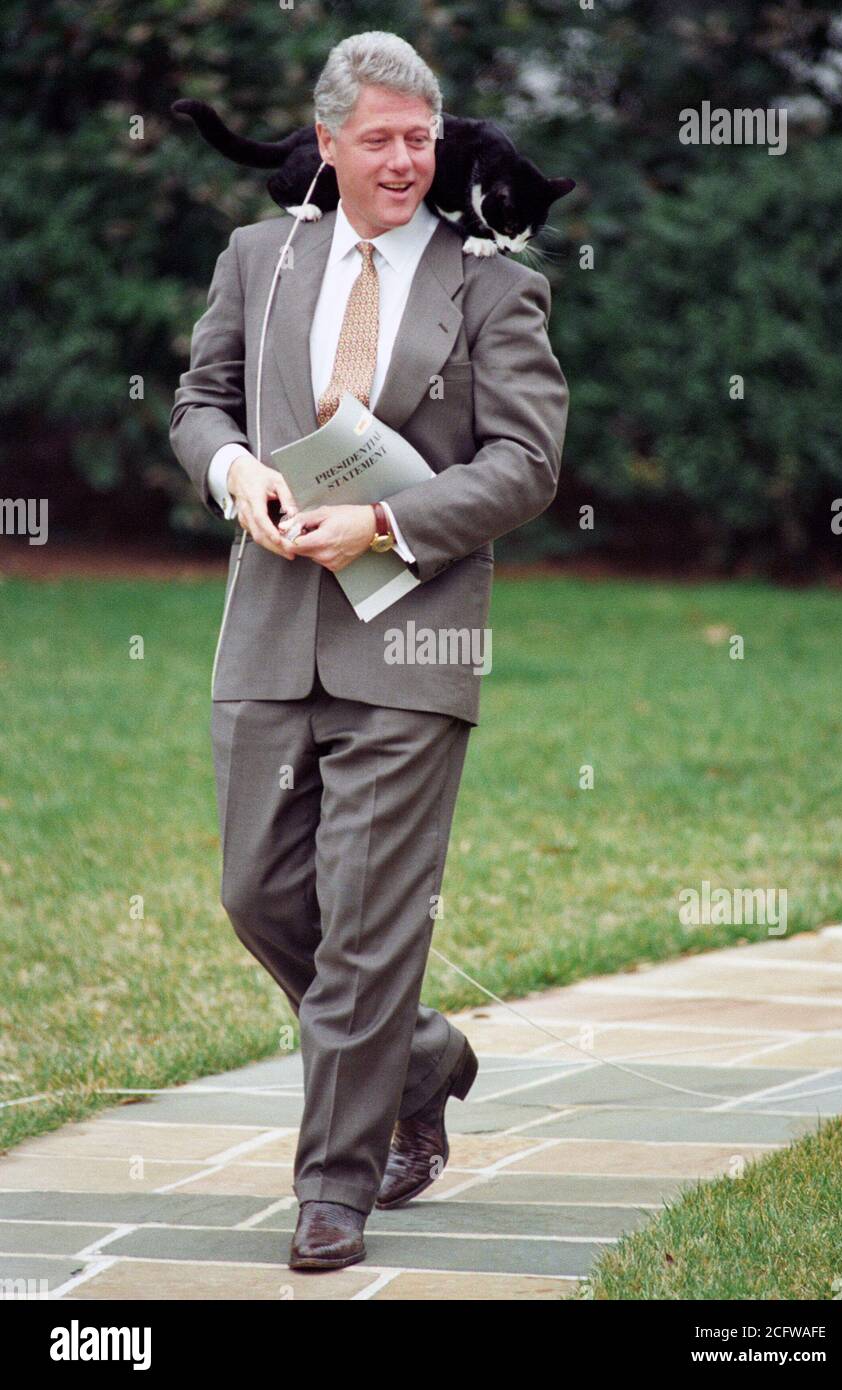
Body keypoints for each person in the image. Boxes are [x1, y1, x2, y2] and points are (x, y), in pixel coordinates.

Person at [169, 30, 569, 1272]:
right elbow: (201, 402)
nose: (405, 161)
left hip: (415, 643)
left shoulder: (493, 281)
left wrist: (389, 518)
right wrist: (233, 473)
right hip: (267, 635)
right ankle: (424, 1058)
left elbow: (527, 463)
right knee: (256, 896)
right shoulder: (256, 258)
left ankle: (335, 1186)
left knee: (364, 927)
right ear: (328, 139)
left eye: (421, 138)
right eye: (381, 138)